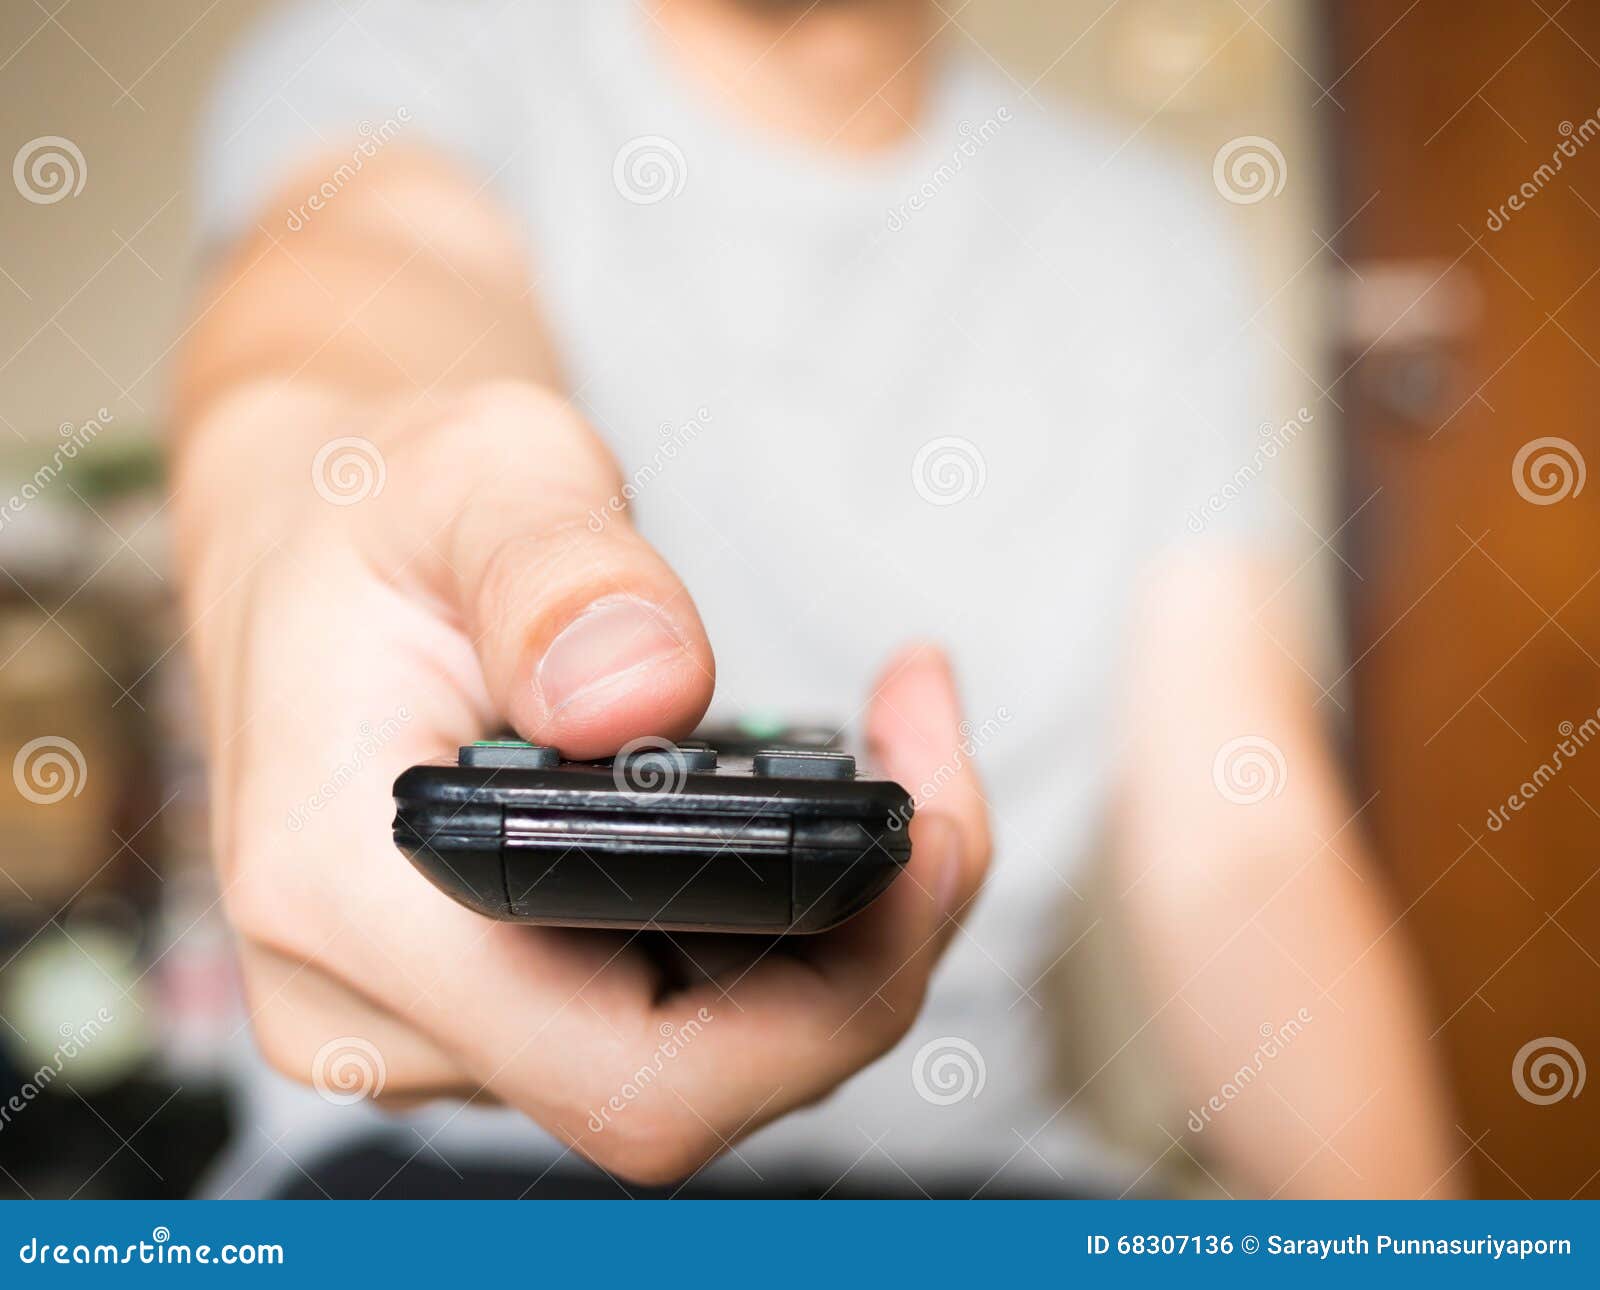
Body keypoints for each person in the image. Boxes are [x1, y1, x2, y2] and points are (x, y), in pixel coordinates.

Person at [176, 0, 1456, 1197]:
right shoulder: (407, 48)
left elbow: (1240, 851)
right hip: (432, 1174)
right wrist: (325, 471)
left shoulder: (1150, 241)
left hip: (967, 1180)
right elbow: (366, 286)